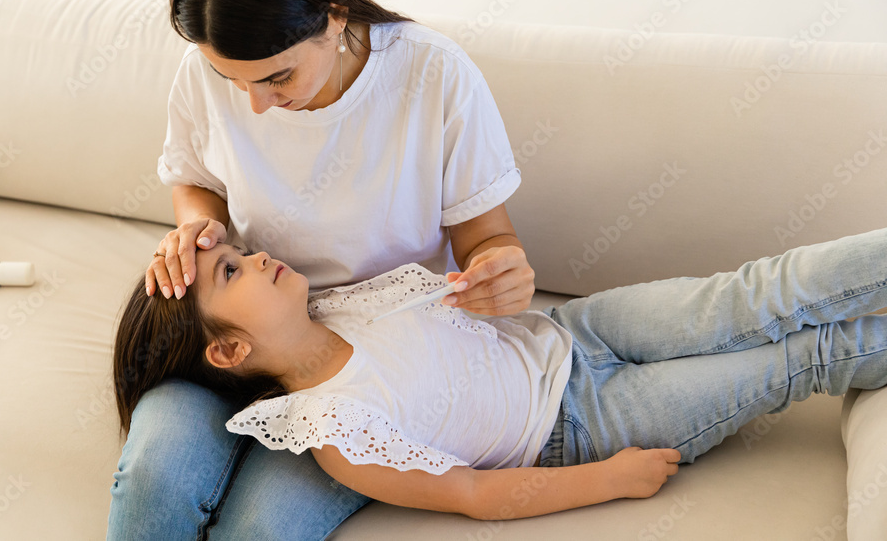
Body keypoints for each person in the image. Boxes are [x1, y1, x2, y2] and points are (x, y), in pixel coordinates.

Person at [107, 0, 535, 539]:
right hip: (241, 332)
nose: (254, 104)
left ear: (334, 15)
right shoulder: (206, 70)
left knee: (262, 528)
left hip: (359, 368)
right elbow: (196, 179)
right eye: (233, 80)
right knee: (153, 480)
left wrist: (501, 272)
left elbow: (487, 239)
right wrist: (198, 230)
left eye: (277, 76)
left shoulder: (433, 76)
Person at [112, 229, 887, 523]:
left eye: (236, 250)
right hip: (585, 425)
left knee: (756, 291)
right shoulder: (337, 432)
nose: (255, 254)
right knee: (803, 358)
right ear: (228, 352)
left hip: (576, 330)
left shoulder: (342, 300)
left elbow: (460, 297)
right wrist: (609, 479)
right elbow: (475, 494)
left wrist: (489, 276)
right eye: (232, 271)